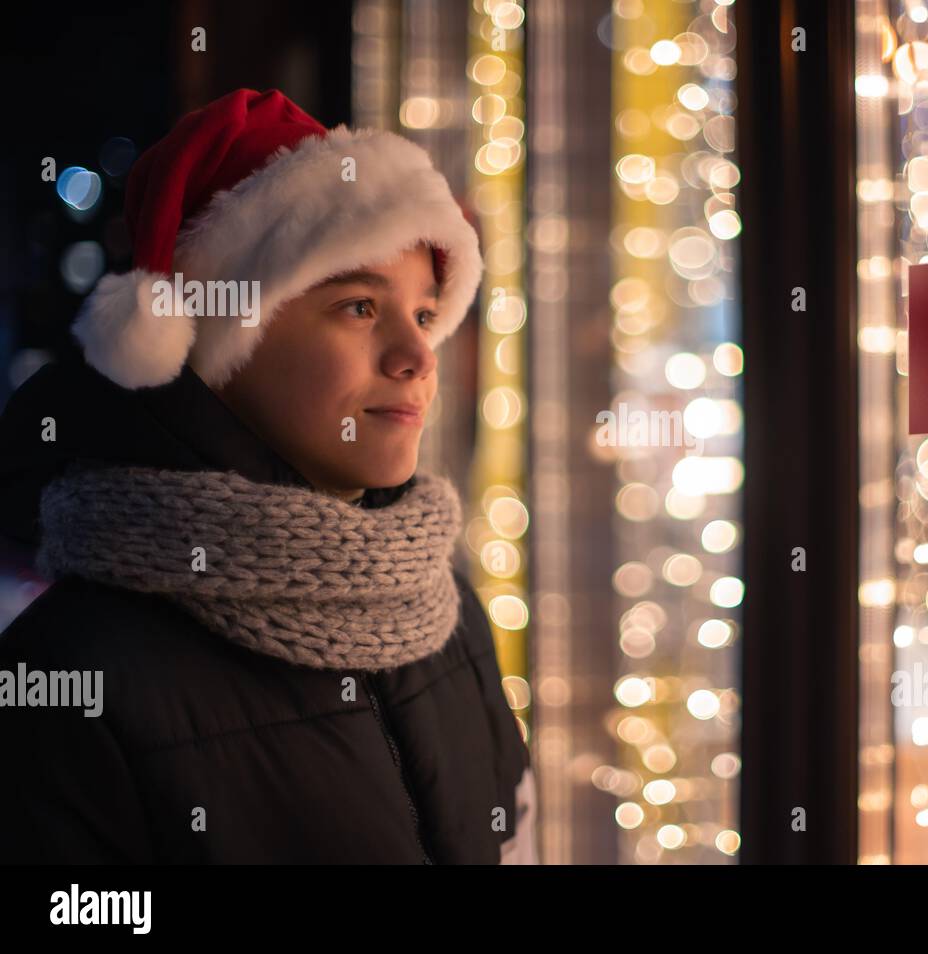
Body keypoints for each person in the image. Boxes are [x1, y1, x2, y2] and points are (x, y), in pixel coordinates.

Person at [0, 88, 538, 864]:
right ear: (223, 345)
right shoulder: (66, 680)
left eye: (426, 314)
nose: (418, 356)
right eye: (359, 307)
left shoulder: (444, 605)